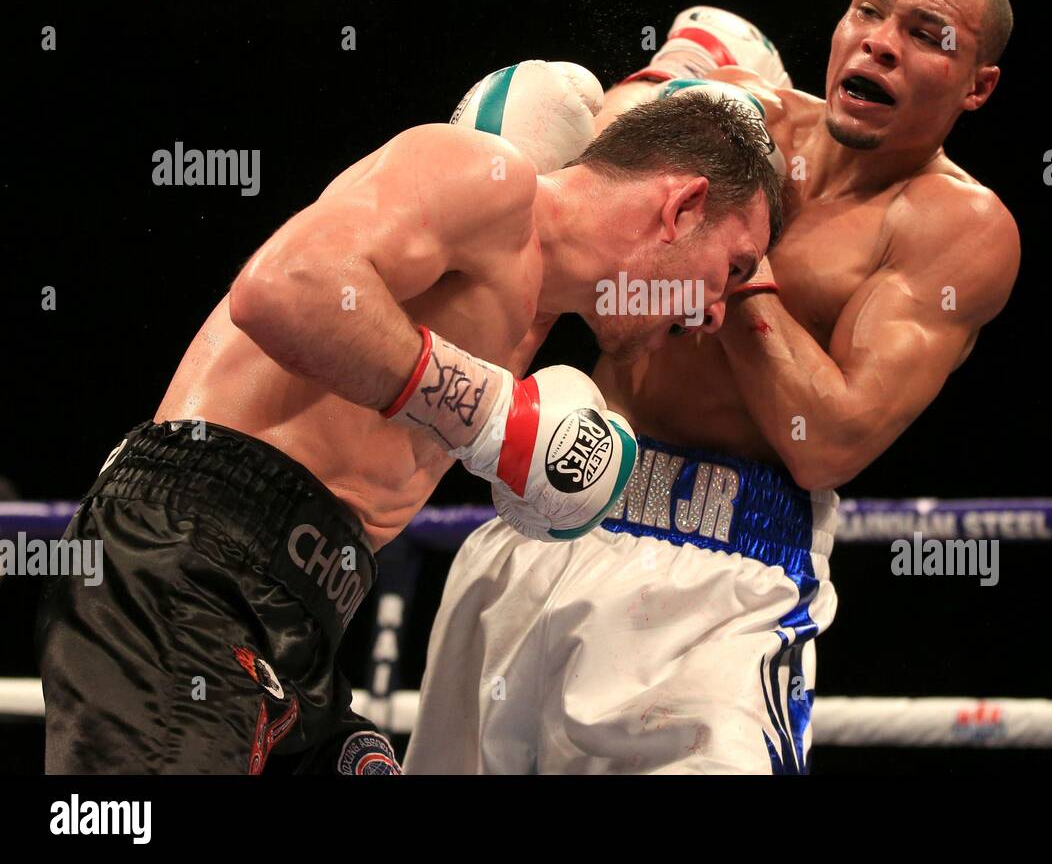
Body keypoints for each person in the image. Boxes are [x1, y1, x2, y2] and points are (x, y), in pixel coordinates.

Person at [37, 61, 780, 774]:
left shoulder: (534, 319)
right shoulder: (484, 179)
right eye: (735, 269)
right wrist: (493, 421)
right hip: (193, 558)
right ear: (681, 207)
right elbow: (283, 290)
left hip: (304, 619)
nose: (717, 313)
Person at [404, 0, 1021, 774]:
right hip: (553, 511)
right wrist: (643, 113)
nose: (880, 41)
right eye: (867, 10)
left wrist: (736, 269)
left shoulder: (958, 229)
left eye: (924, 33)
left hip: (724, 583)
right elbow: (601, 296)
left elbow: (827, 442)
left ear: (977, 84)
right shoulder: (739, 116)